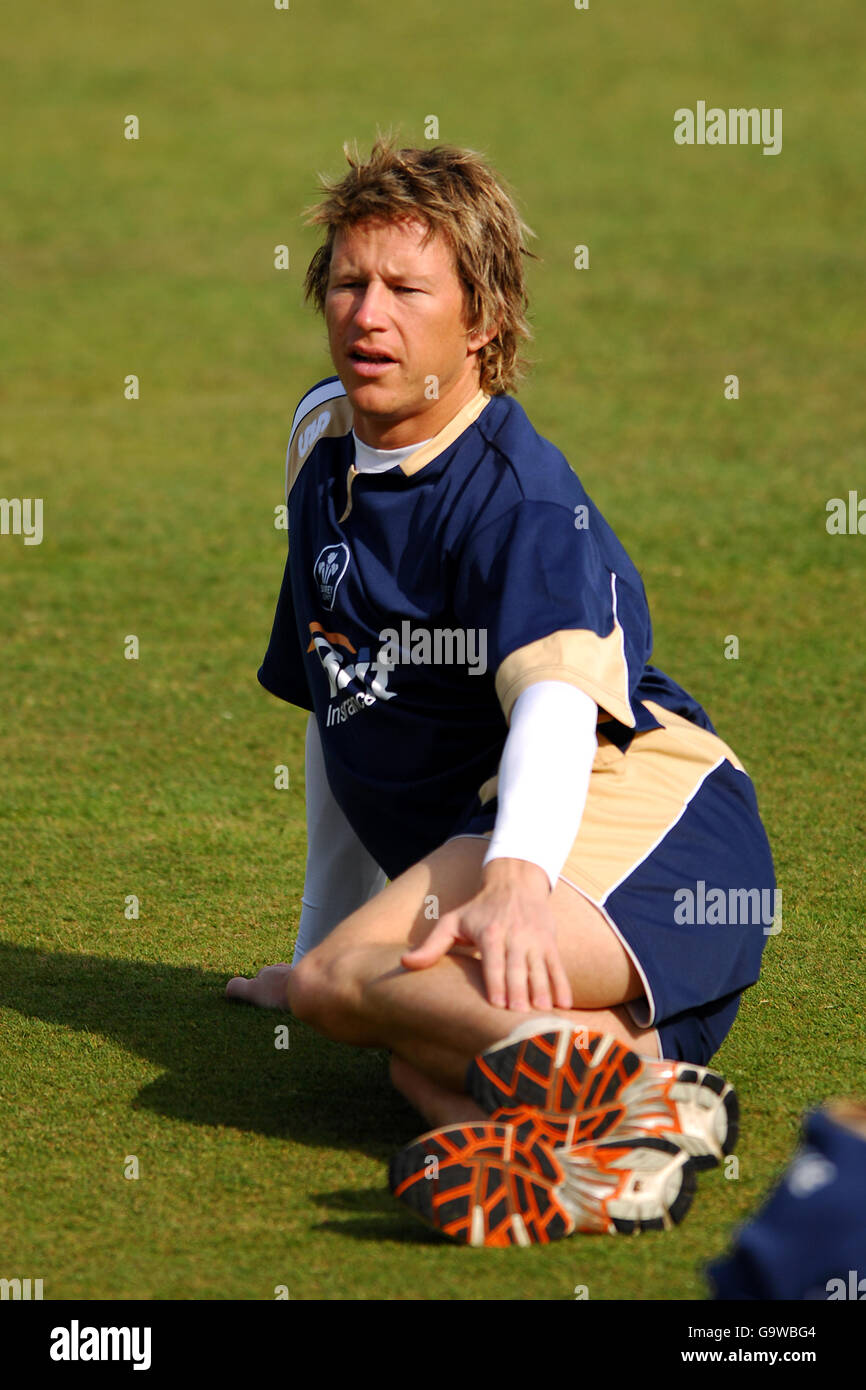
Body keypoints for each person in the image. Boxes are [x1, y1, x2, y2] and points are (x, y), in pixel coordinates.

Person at [226, 137, 776, 1247]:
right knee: (402, 1044)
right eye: (345, 282)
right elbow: (341, 705)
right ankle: (618, 1141)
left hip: (641, 818)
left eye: (403, 289)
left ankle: (614, 1081)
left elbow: (557, 706)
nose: (365, 314)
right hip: (521, 842)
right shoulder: (323, 445)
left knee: (354, 983)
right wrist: (313, 936)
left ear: (479, 319)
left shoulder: (520, 498)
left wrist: (517, 880)